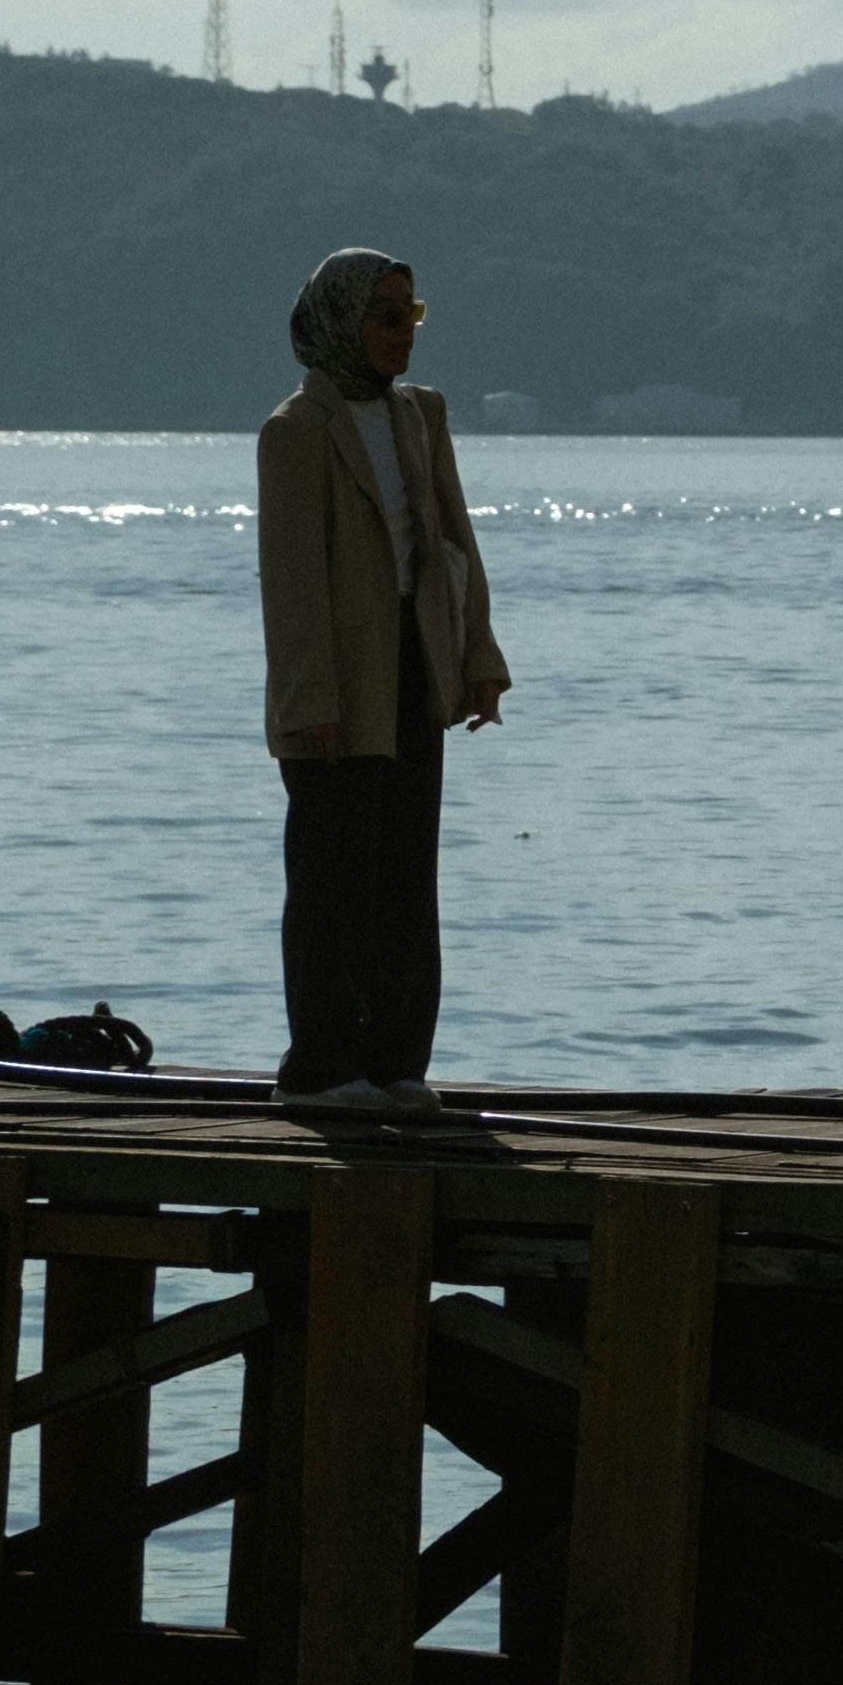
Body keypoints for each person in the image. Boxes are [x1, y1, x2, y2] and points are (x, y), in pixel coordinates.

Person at [256, 247, 508, 1105]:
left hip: (415, 661)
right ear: (342, 323)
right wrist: (308, 704)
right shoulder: (296, 431)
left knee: (407, 876)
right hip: (333, 681)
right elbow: (292, 584)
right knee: (331, 879)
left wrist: (478, 661)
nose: (406, 332)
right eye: (387, 315)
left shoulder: (420, 416)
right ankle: (323, 1068)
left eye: (413, 313)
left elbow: (454, 547)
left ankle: (399, 1065)